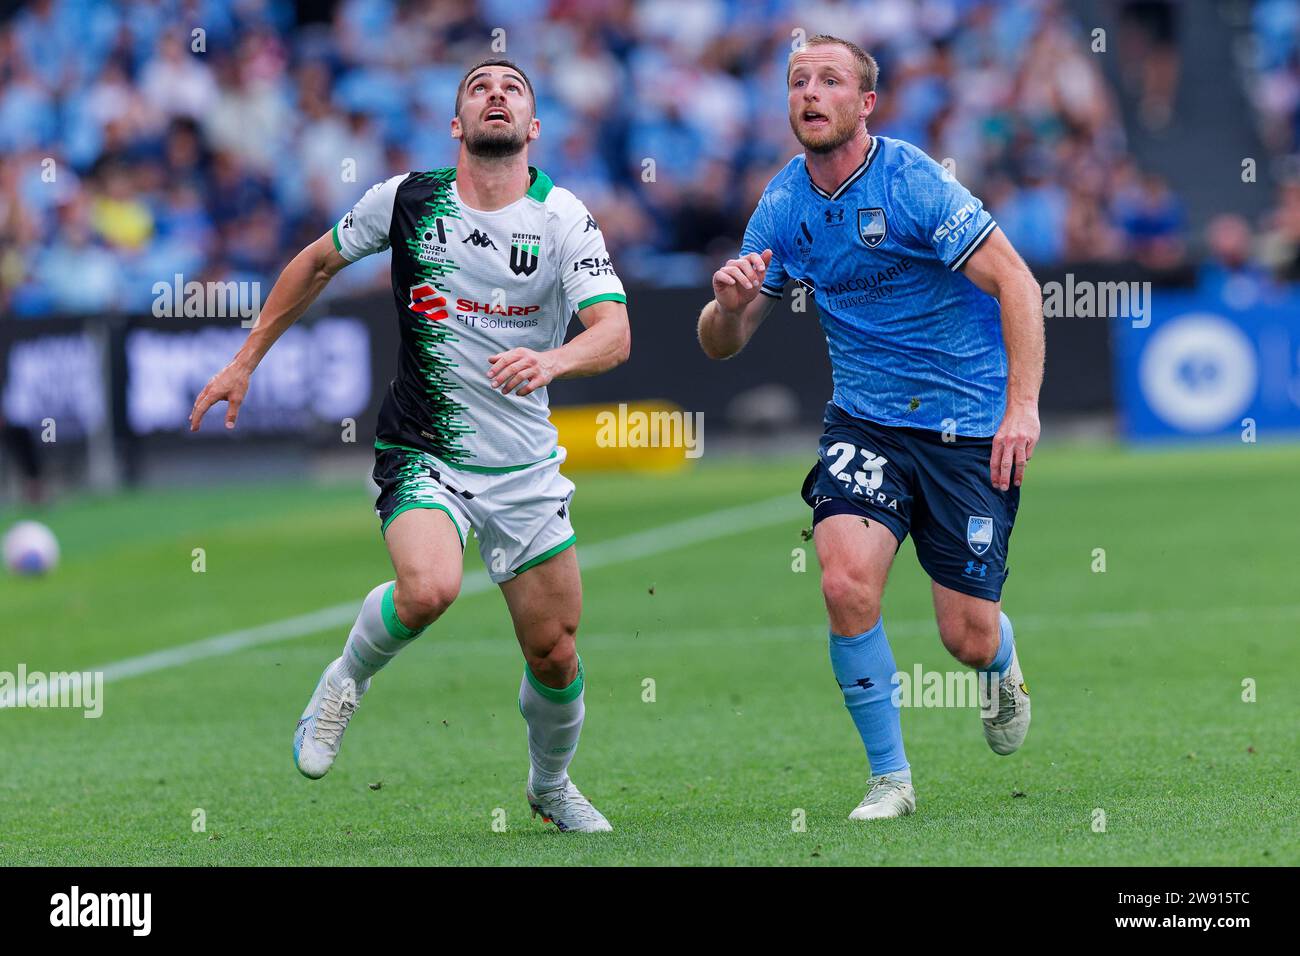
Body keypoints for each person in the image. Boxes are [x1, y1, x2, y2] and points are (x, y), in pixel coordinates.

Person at [190, 58, 630, 833]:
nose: (496, 92)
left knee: (555, 654)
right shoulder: (406, 200)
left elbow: (615, 333)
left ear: (534, 127)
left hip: (524, 468)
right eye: (479, 88)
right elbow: (318, 260)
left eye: (513, 88)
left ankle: (551, 785)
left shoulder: (564, 218)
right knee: (429, 588)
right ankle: (343, 682)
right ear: (456, 125)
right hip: (423, 447)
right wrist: (244, 358)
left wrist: (553, 360)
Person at [697, 36, 1043, 820]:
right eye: (796, 82)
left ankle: (1002, 664)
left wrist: (1021, 407)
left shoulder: (915, 182)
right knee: (845, 583)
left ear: (866, 103)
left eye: (828, 80)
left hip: (965, 425)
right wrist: (725, 302)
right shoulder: (783, 203)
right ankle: (891, 778)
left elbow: (1017, 284)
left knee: (967, 637)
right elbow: (723, 342)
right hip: (864, 424)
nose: (809, 93)